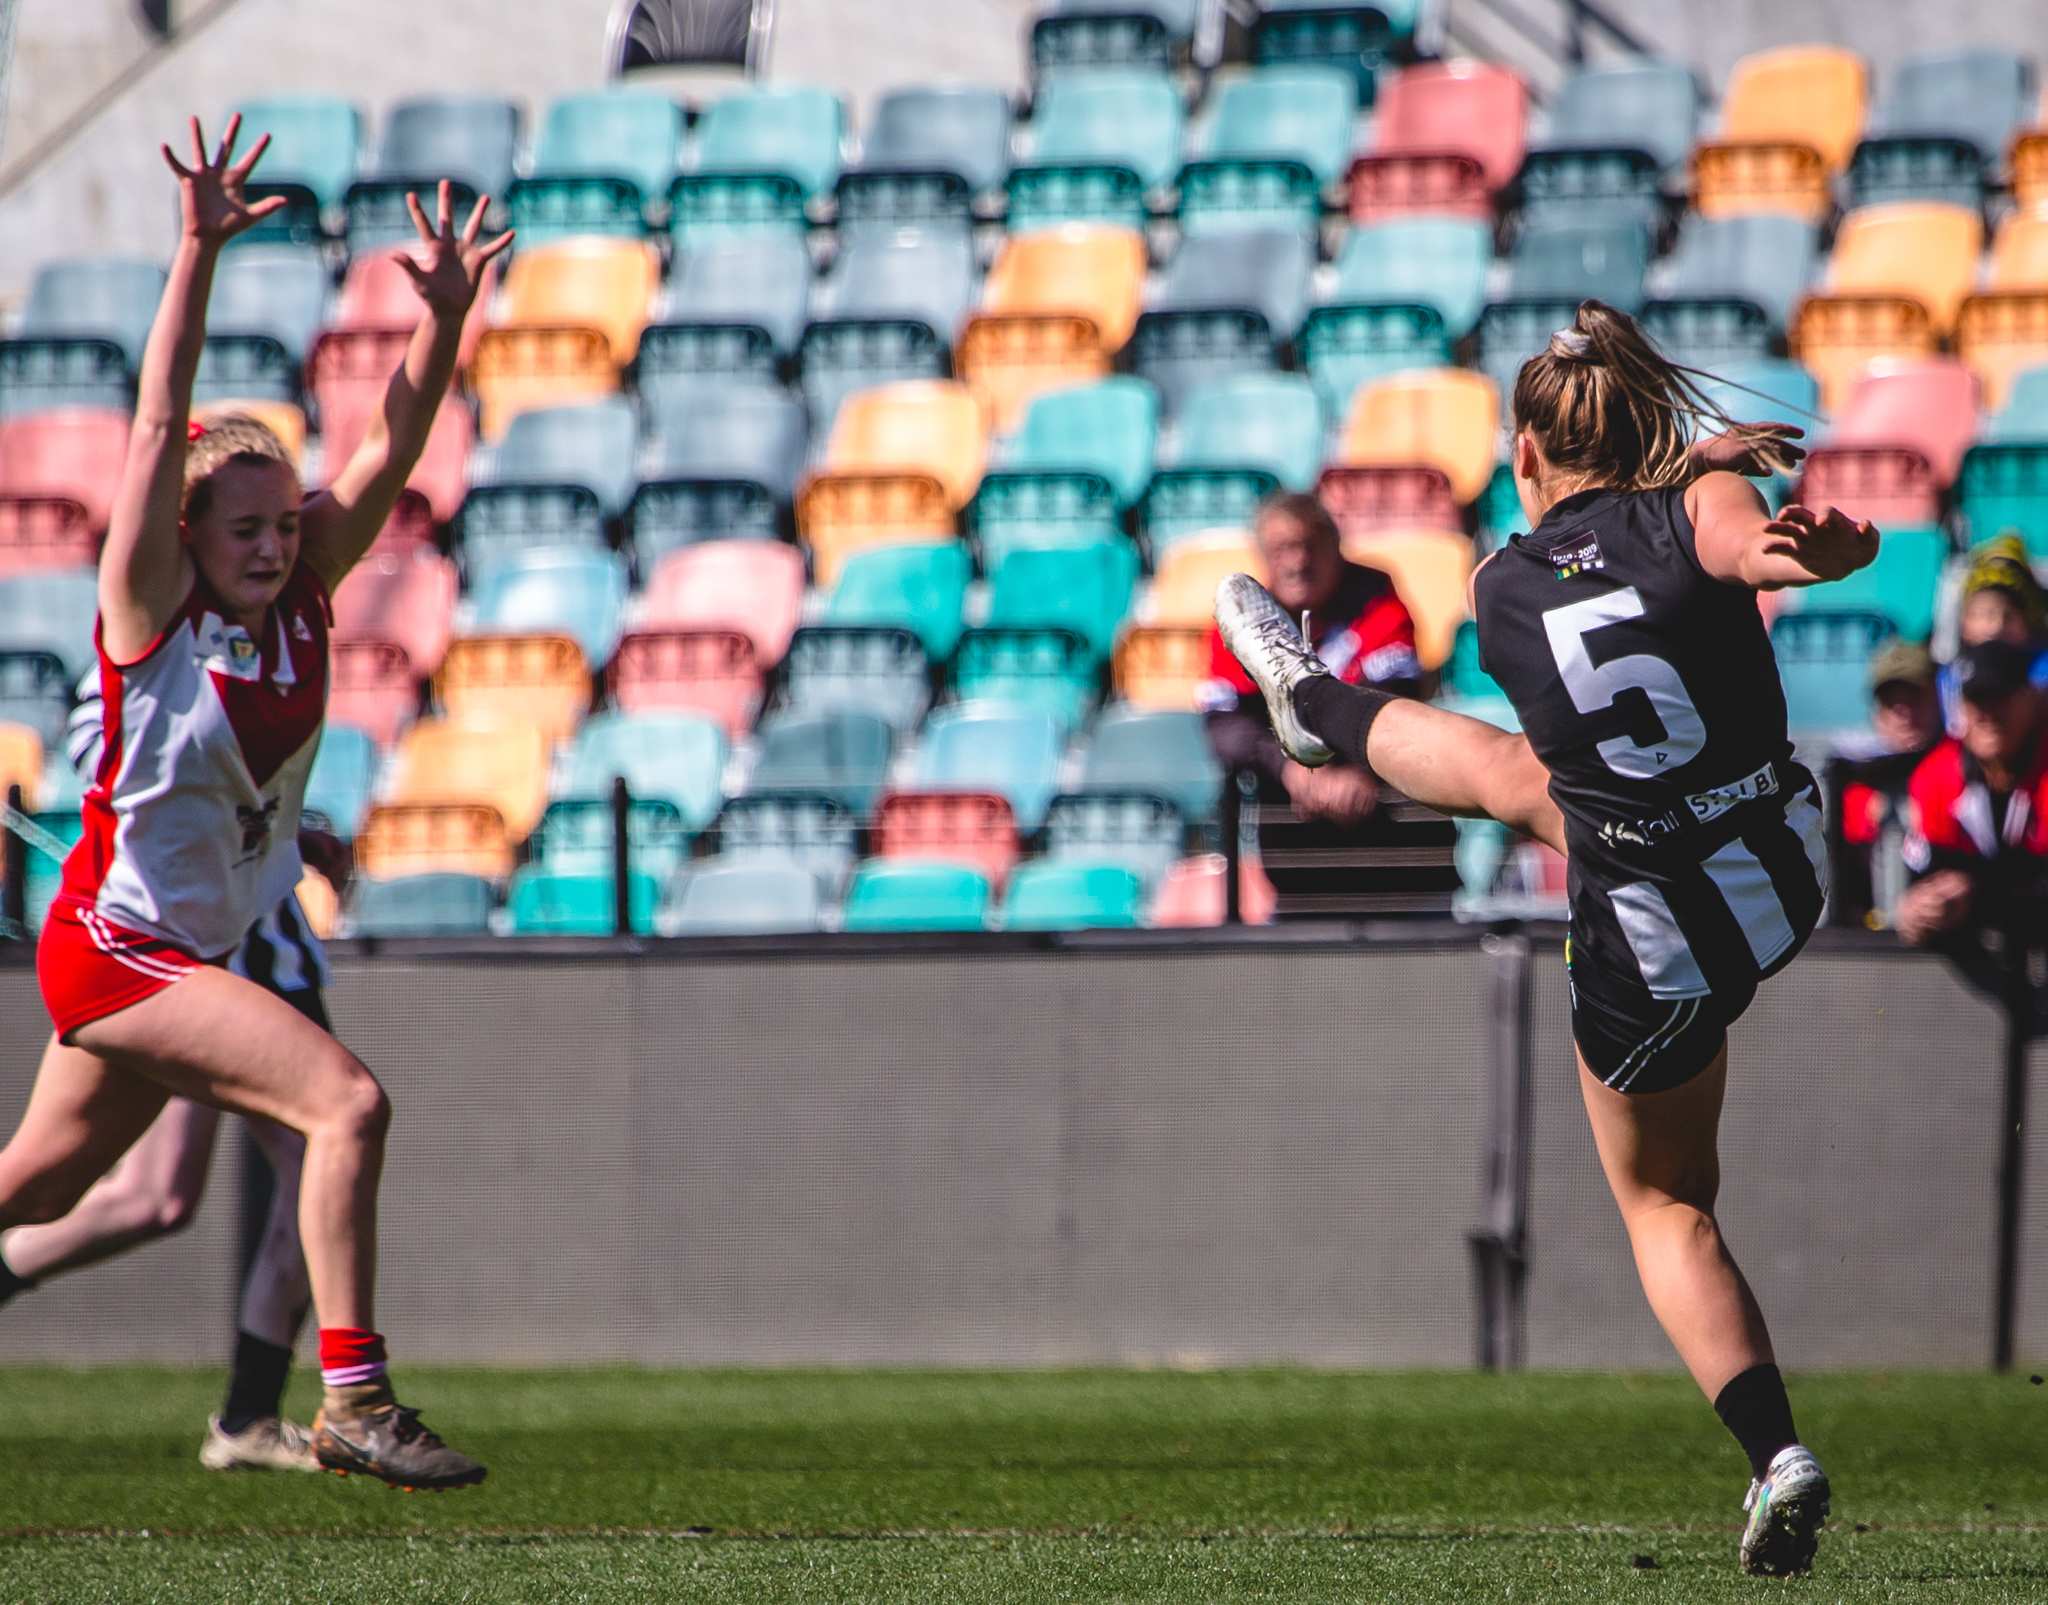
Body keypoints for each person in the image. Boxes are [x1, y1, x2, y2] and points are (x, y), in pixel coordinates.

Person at [1217, 300, 1875, 1577]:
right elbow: (1726, 548)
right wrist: (1792, 548)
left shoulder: (1497, 586)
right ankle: (1314, 704)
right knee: (1529, 782)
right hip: (1781, 875)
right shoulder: (1704, 503)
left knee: (1665, 1204)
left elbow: (1608, 569)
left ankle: (1776, 1454)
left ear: (1523, 456)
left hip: (1652, 943)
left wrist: (1699, 486)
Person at [0, 117, 510, 1489]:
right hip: (122, 949)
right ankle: (353, 1401)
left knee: (38, 1187)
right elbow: (156, 423)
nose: (279, 542)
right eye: (249, 527)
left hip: (171, 945)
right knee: (345, 1104)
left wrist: (442, 321)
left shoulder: (301, 590)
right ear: (187, 533)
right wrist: (198, 251)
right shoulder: (149, 605)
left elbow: (395, 443)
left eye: (287, 522)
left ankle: (339, 1402)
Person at [0, 673, 349, 1473]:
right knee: (312, 1148)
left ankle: (250, 1415)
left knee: (157, 1194)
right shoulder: (163, 631)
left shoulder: (273, 628)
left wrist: (289, 838)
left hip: (240, 927)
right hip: (176, 936)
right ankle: (265, 1410)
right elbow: (104, 743)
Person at [1199, 492, 1422, 831]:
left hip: (1380, 796)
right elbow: (1224, 723)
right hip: (1281, 804)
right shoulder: (1243, 619)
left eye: (1309, 546)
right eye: (1281, 549)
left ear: (1336, 546)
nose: (1297, 563)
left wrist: (1359, 771)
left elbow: (1398, 696)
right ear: (1263, 556)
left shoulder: (1375, 600)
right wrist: (1290, 769)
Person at [1895, 638, 2048, 954]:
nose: (1988, 714)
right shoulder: (1937, 777)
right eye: (1977, 699)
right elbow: (1925, 872)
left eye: (2000, 698)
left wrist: (1977, 899)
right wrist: (1919, 907)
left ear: (2030, 699)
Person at [1827, 641, 1942, 927]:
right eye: (1892, 703)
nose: (1905, 714)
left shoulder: (1965, 770)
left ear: (1937, 700)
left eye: (1914, 699)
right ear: (1877, 714)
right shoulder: (1850, 786)